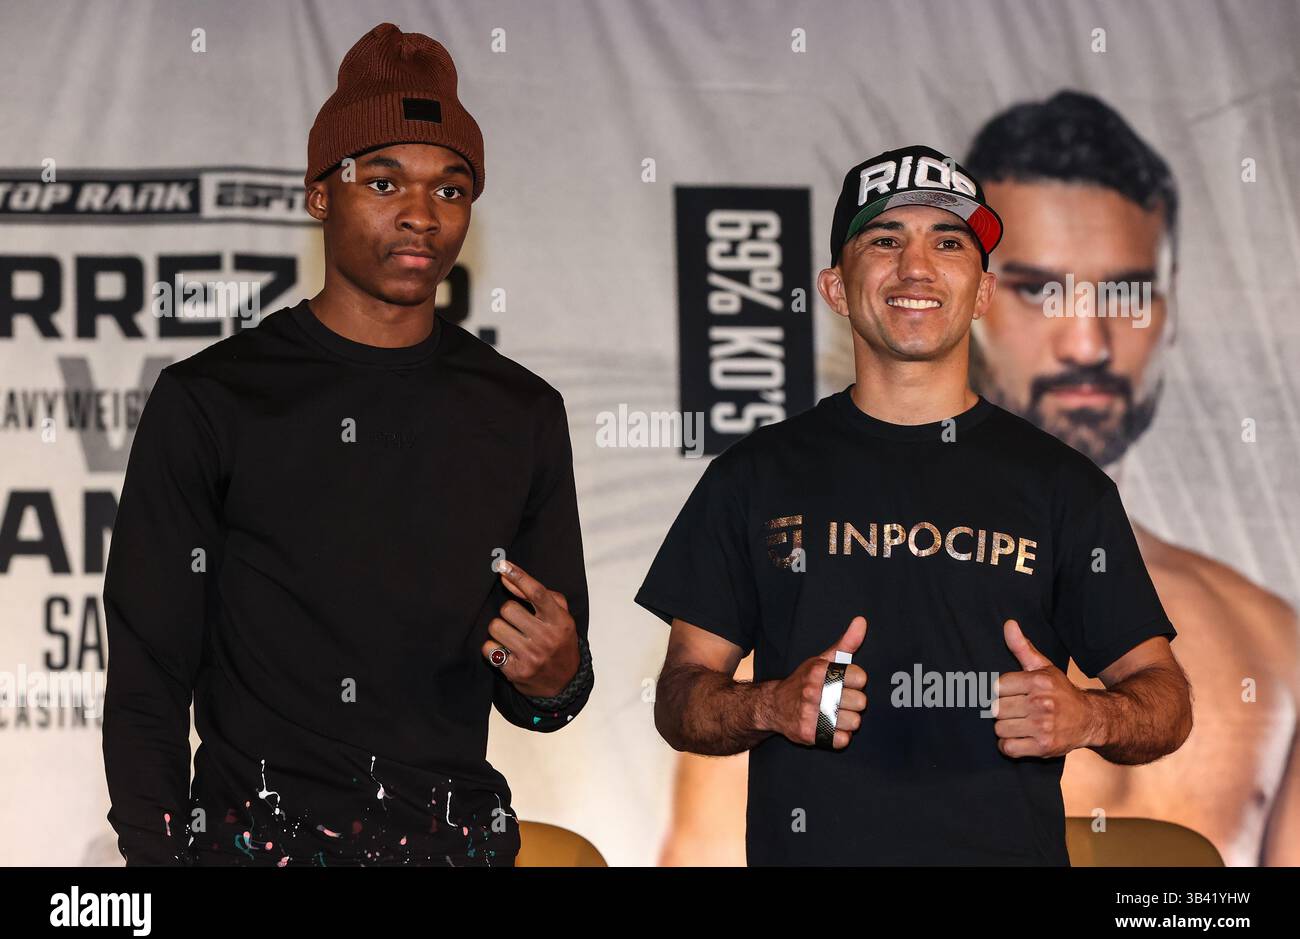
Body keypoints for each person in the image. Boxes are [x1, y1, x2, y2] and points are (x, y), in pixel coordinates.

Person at [102, 22, 593, 867]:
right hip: (255, 847)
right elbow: (148, 673)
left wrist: (556, 679)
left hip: (459, 843)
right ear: (321, 194)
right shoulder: (213, 399)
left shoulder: (521, 412)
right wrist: (157, 860)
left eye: (451, 189)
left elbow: (546, 693)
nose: (420, 214)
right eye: (384, 180)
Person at [636, 144, 1191, 865]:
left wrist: (1087, 715)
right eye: (885, 240)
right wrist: (769, 705)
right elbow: (680, 697)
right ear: (835, 288)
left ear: (983, 291)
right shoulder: (754, 475)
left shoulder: (1063, 485)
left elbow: (1167, 701)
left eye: (949, 242)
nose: (917, 267)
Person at [964, 91, 1300, 866]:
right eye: (1040, 289)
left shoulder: (1271, 641)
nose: (1088, 341)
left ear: (1170, 308)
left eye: (1123, 291)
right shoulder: (832, 618)